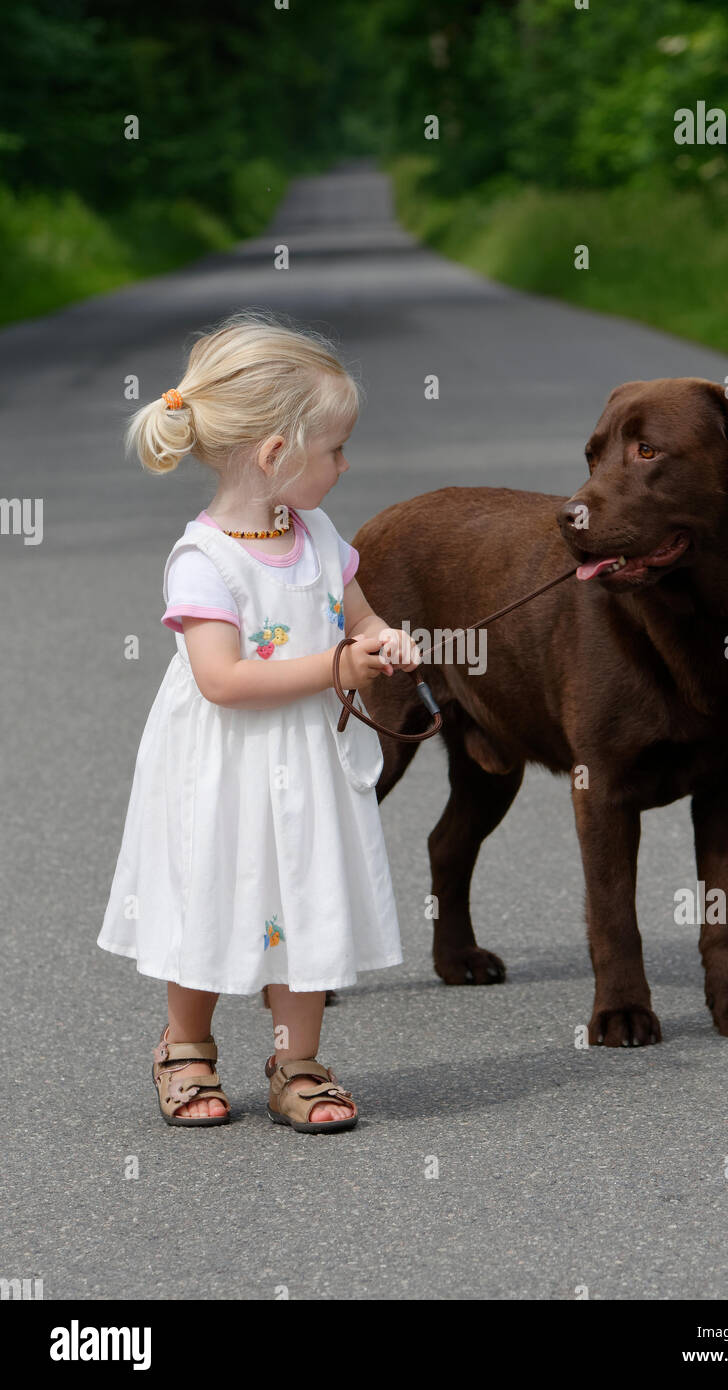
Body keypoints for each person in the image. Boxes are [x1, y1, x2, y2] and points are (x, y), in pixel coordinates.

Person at [97, 309, 420, 1133]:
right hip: (225, 764)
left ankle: (298, 1060)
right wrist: (337, 669)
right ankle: (186, 1045)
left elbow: (359, 619)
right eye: (336, 449)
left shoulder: (316, 534)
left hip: (307, 756)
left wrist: (382, 642)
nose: (346, 465)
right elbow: (222, 680)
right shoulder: (206, 559)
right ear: (276, 453)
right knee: (213, 893)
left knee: (302, 897)